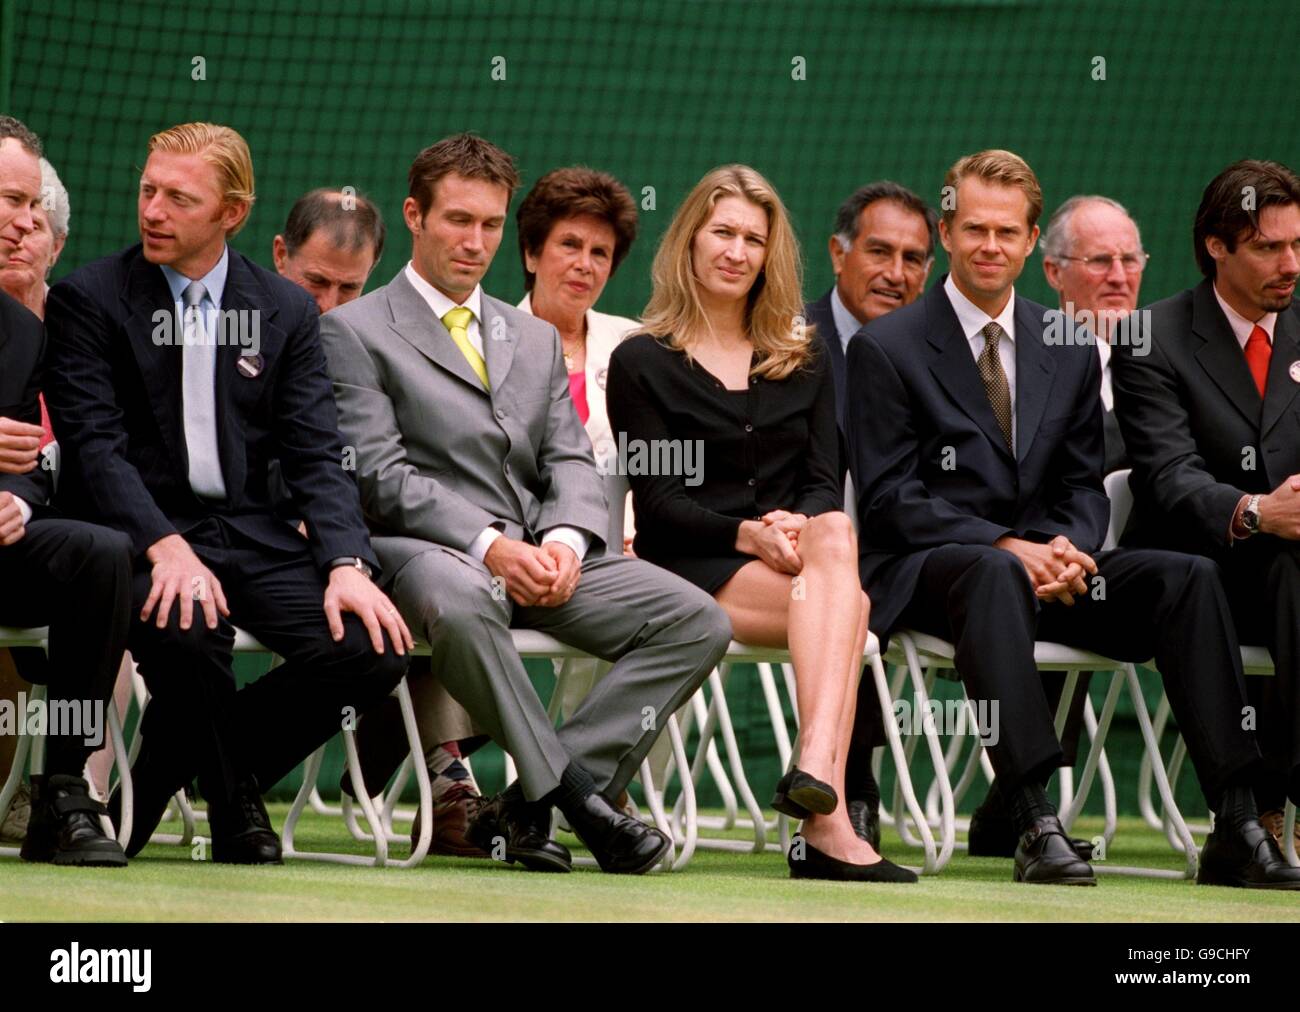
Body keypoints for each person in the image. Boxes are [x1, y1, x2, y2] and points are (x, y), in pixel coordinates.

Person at [848, 148, 1299, 888]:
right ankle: (1031, 814)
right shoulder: (886, 346)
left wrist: (1066, 547)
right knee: (994, 571)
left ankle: (1237, 821)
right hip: (932, 571)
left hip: (1055, 573)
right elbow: (891, 497)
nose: (990, 247)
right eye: (975, 230)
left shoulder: (1066, 345)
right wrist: (1008, 544)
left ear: (1031, 244)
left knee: (1185, 577)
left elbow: (1085, 485)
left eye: (1008, 233)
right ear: (948, 230)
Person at [319, 132, 732, 875]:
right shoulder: (353, 330)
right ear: (415, 215)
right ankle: (579, 796)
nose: (474, 242)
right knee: (466, 600)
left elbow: (571, 458)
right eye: (457, 220)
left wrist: (569, 542)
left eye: (488, 225)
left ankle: (526, 803)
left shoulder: (534, 338)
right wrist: (491, 545)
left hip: (540, 556)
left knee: (696, 618)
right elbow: (379, 476)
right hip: (425, 557)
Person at [44, 122, 411, 865]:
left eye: (180, 198)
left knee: (373, 650)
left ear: (232, 213)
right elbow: (95, 448)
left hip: (251, 535)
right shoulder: (91, 299)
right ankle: (237, 802)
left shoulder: (284, 308)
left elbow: (316, 454)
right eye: (149, 191)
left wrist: (347, 563)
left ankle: (202, 782)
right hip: (142, 533)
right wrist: (168, 548)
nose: (153, 210)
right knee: (186, 631)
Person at [606, 164, 914, 883]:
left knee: (834, 530)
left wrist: (795, 529)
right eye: (723, 233)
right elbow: (657, 504)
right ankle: (825, 815)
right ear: (689, 240)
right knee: (851, 601)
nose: (737, 251)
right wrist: (748, 534)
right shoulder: (643, 361)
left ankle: (814, 774)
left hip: (799, 565)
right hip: (690, 569)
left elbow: (818, 480)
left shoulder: (801, 357)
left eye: (753, 238)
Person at [1113, 159, 1300, 857]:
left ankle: (1273, 805)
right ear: (1216, 247)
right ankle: (1257, 811)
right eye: (1268, 247)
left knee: (1290, 568)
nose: (1289, 264)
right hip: (1189, 567)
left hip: (1286, 566)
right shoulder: (1150, 337)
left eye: (1297, 245)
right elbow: (1167, 476)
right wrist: (1256, 510)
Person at [0, 115, 134, 866]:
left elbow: (21, 450)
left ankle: (60, 793)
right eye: (14, 201)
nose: (29, 222)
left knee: (97, 551)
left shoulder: (22, 333)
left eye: (33, 207)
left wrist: (17, 499)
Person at [802, 181, 937, 849]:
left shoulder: (941, 353)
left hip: (911, 553)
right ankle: (849, 784)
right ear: (837, 253)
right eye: (879, 251)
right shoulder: (787, 341)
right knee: (849, 592)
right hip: (805, 555)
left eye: (914, 259)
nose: (896, 274)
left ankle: (1018, 806)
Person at [516, 165, 641, 738]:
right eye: (569, 244)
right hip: (520, 554)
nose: (585, 264)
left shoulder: (636, 346)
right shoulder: (482, 340)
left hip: (625, 549)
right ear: (531, 253)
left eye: (601, 252)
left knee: (672, 603)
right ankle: (580, 783)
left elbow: (655, 460)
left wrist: (640, 531)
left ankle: (612, 780)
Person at [1043, 194, 1148, 474]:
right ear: (1055, 272)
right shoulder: (1026, 366)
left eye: (1129, 260)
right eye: (1100, 261)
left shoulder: (1166, 366)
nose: (1119, 277)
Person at [272, 187, 385, 315]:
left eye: (348, 287)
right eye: (317, 280)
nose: (329, 307)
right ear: (281, 255)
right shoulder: (248, 326)